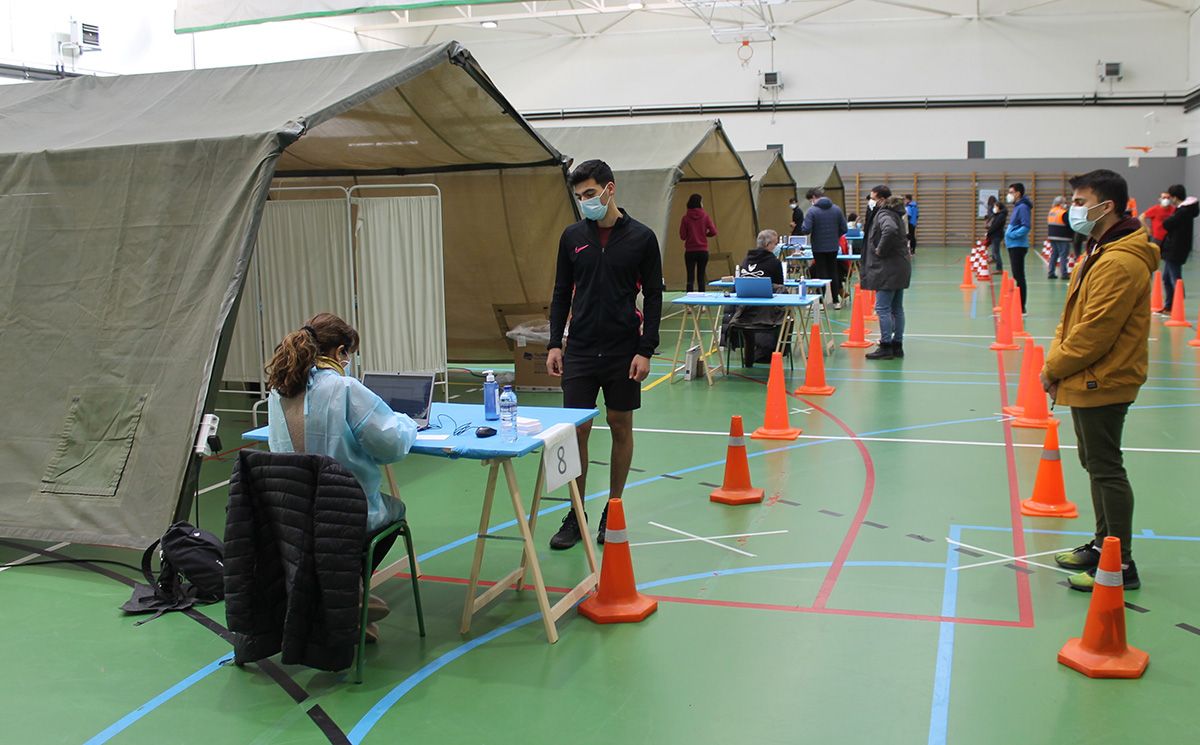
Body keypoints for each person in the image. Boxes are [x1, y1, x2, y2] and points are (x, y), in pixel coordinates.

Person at [265, 312, 417, 641]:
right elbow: (390, 444)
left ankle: (337, 595)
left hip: (292, 514)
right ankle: (347, 593)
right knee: (395, 510)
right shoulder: (344, 388)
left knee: (332, 520)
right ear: (339, 352)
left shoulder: (278, 392)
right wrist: (408, 423)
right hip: (343, 511)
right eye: (349, 355)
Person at [1043, 169, 1157, 591]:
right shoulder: (1100, 249)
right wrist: (1057, 358)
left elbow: (1095, 332)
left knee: (1106, 468)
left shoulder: (1119, 261)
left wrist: (1053, 368)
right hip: (1089, 375)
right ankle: (1102, 545)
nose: (1072, 209)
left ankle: (1120, 564)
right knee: (1094, 464)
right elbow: (1072, 317)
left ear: (1106, 206)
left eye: (1080, 202)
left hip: (1105, 378)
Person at [547, 159, 664, 550]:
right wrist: (554, 342)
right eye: (580, 196)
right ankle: (576, 513)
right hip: (580, 349)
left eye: (591, 194)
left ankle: (613, 508)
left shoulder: (642, 238)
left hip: (623, 350)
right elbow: (561, 292)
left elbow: (654, 295)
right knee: (576, 430)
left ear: (610, 189)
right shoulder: (571, 237)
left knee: (619, 424)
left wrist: (646, 349)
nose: (586, 202)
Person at [861, 185, 911, 360]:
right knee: (897, 308)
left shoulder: (884, 214)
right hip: (899, 267)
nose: (871, 201)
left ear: (882, 199)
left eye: (873, 198)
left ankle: (886, 345)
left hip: (887, 268)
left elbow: (889, 230)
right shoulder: (896, 213)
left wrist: (880, 250)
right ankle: (897, 345)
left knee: (882, 308)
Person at [800, 187, 848, 310]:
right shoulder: (836, 209)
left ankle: (820, 302)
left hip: (818, 247)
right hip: (833, 247)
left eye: (810, 200)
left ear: (813, 198)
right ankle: (836, 301)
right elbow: (844, 229)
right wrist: (834, 237)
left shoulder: (812, 211)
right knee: (833, 272)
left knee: (820, 273)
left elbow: (806, 229)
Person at [1157, 184, 1197, 314]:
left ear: (1175, 197)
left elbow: (1167, 224)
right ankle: (1169, 306)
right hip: (1174, 249)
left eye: (1170, 197)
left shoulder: (1183, 212)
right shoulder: (1184, 210)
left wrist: (1168, 219)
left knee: (1174, 278)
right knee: (1167, 278)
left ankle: (1177, 304)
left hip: (1176, 249)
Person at [1004, 183, 1033, 313]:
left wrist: (1012, 235)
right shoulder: (1018, 206)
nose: (1009, 195)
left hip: (1018, 246)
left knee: (1019, 276)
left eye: (1011, 192)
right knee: (1017, 276)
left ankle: (1021, 307)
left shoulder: (1022, 207)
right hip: (1013, 245)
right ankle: (1019, 304)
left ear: (1018, 193)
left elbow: (1026, 226)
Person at [679, 193, 717, 292]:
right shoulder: (705, 217)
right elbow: (713, 231)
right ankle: (702, 298)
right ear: (699, 203)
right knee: (701, 277)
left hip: (690, 251)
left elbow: (682, 236)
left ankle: (689, 299)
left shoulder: (685, 218)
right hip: (703, 250)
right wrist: (705, 234)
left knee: (690, 278)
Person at [1046, 196, 1073, 279]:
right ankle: (1064, 274)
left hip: (1052, 236)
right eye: (1064, 202)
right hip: (1063, 237)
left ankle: (1051, 272)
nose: (1065, 204)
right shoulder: (1063, 213)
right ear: (1060, 203)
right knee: (1063, 255)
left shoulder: (1051, 211)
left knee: (1054, 254)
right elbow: (1070, 224)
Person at [985, 195, 1006, 270]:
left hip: (997, 235)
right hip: (995, 235)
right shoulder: (997, 215)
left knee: (996, 252)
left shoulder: (1001, 216)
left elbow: (995, 226)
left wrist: (988, 232)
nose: (994, 208)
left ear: (999, 208)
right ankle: (994, 260)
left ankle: (999, 268)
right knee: (994, 250)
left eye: (995, 207)